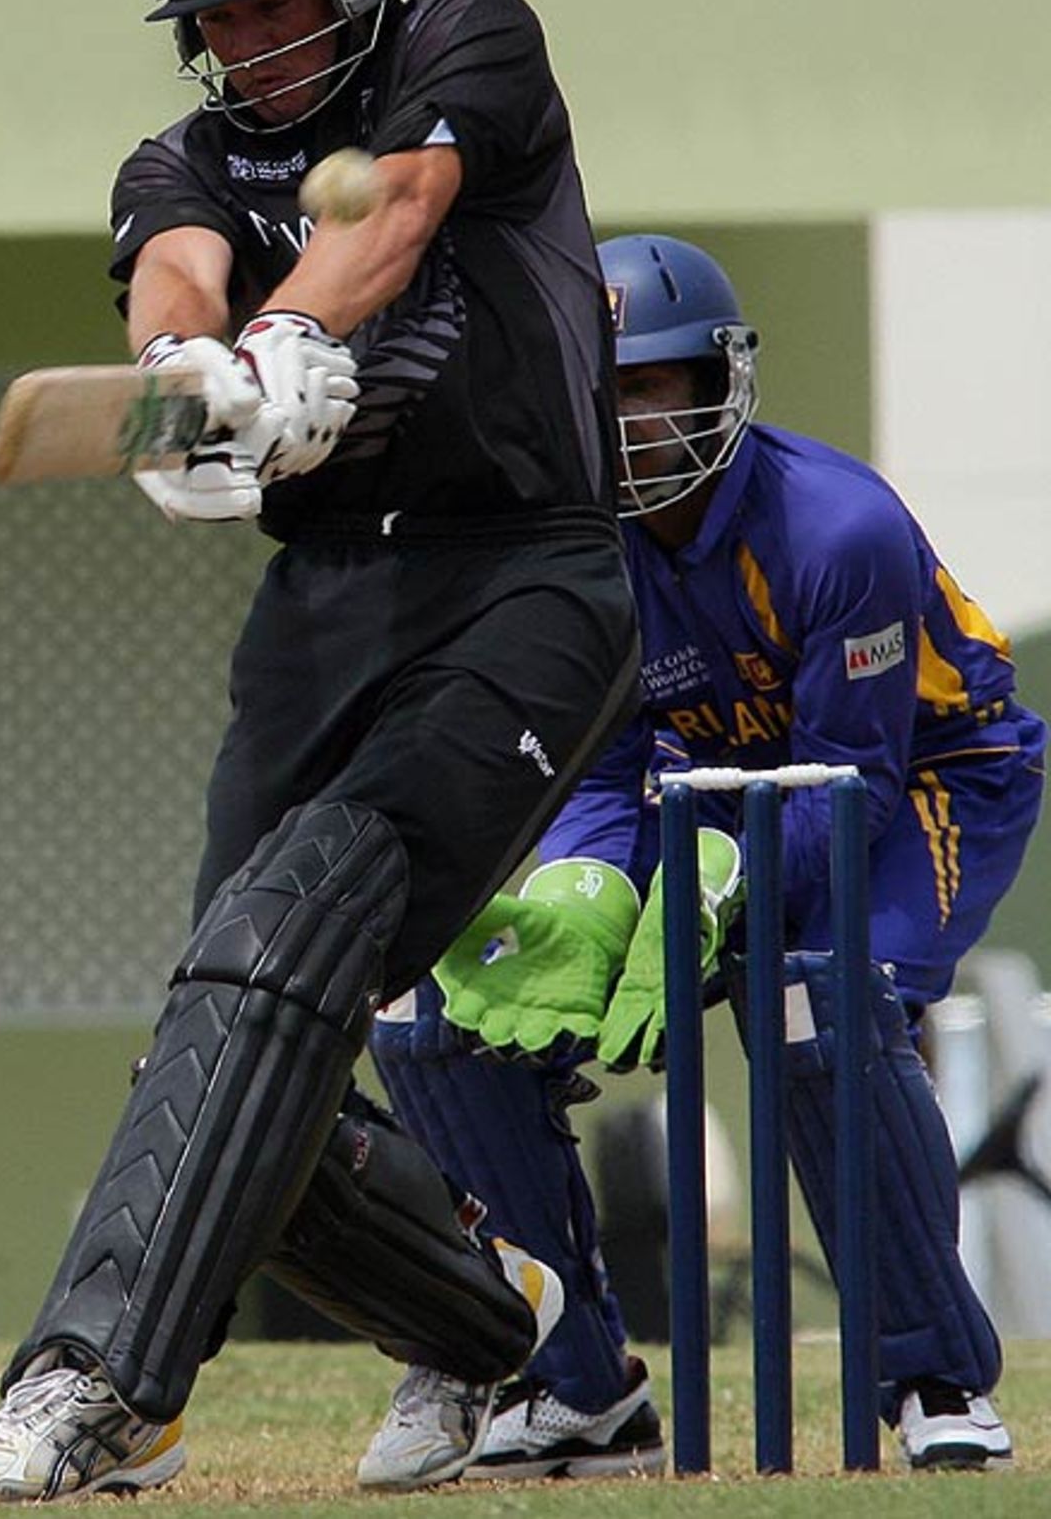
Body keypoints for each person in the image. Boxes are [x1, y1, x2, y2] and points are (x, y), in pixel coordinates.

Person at [0, 0, 643, 1502]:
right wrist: (185, 363)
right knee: (226, 1026)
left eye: (275, 4)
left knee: (282, 936)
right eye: (220, 23)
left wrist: (293, 337)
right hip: (326, 598)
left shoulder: (468, 36)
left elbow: (398, 211)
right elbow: (171, 258)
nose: (253, 45)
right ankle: (488, 1317)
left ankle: (101, 1386)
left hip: (525, 570)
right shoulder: (182, 156)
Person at [368, 232, 1047, 1479]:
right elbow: (605, 758)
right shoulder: (575, 547)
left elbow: (855, 781)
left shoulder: (837, 528)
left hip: (927, 779)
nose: (629, 422)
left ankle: (932, 1374)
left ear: (719, 382)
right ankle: (572, 1385)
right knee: (437, 1010)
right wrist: (590, 886)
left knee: (818, 996)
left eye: (653, 386)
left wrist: (714, 895)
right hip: (694, 795)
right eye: (603, 391)